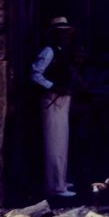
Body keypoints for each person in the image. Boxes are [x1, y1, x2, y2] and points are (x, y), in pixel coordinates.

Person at [31, 16, 80, 198]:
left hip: (62, 99)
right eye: (63, 33)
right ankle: (55, 186)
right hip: (52, 99)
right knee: (55, 144)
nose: (67, 36)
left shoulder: (60, 51)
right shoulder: (49, 51)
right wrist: (53, 86)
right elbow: (35, 74)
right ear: (55, 34)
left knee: (61, 141)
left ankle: (60, 181)